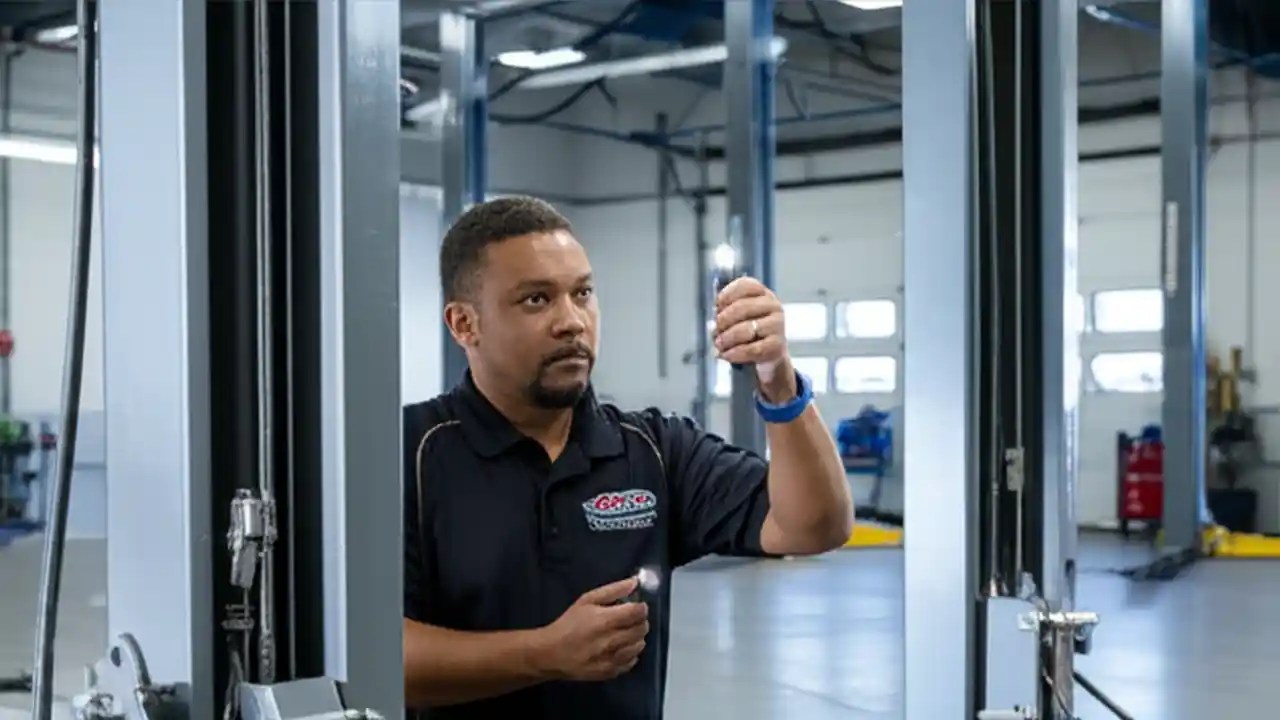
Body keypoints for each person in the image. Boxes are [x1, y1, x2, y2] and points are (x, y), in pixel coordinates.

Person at [403, 196, 854, 719]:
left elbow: (813, 527)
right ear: (464, 324)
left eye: (582, 293)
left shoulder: (653, 450)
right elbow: (377, 653)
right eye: (536, 300)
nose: (572, 321)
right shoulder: (410, 454)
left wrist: (779, 383)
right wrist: (544, 654)